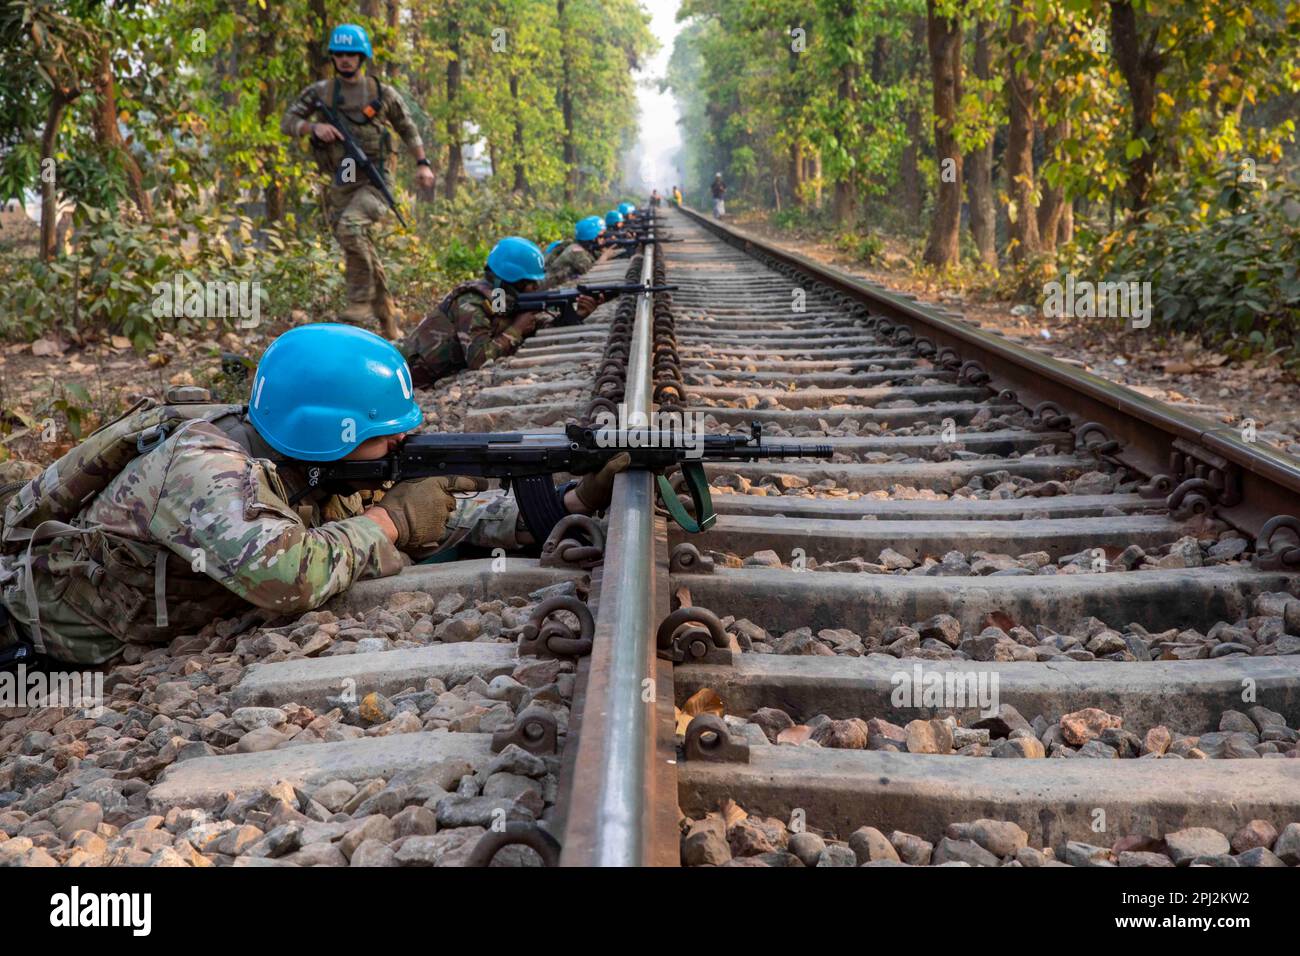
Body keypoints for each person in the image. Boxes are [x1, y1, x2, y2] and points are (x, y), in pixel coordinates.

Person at [0, 325, 627, 666]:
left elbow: (440, 521)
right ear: (328, 435)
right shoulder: (203, 470)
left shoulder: (309, 464)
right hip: (32, 638)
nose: (406, 439)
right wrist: (388, 522)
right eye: (388, 434)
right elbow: (288, 575)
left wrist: (567, 504)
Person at [281, 24, 435, 339]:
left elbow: (407, 128)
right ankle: (388, 317)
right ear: (333, 57)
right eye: (340, 54)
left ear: (362, 56)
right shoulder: (321, 92)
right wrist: (313, 129)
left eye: (352, 54)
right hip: (344, 176)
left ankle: (359, 301)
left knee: (351, 228)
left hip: (377, 180)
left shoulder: (382, 93)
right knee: (355, 241)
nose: (346, 59)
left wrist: (422, 164)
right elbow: (288, 121)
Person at [399, 236, 600, 388]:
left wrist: (575, 316)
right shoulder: (471, 303)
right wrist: (515, 330)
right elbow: (478, 359)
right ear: (512, 279)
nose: (534, 288)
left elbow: (524, 326)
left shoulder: (499, 295)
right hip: (403, 374)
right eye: (529, 283)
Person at [543, 216, 614, 286]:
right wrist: (605, 256)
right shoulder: (576, 251)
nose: (604, 238)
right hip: (551, 289)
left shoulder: (585, 247)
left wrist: (602, 250)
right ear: (592, 237)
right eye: (601, 235)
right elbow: (591, 273)